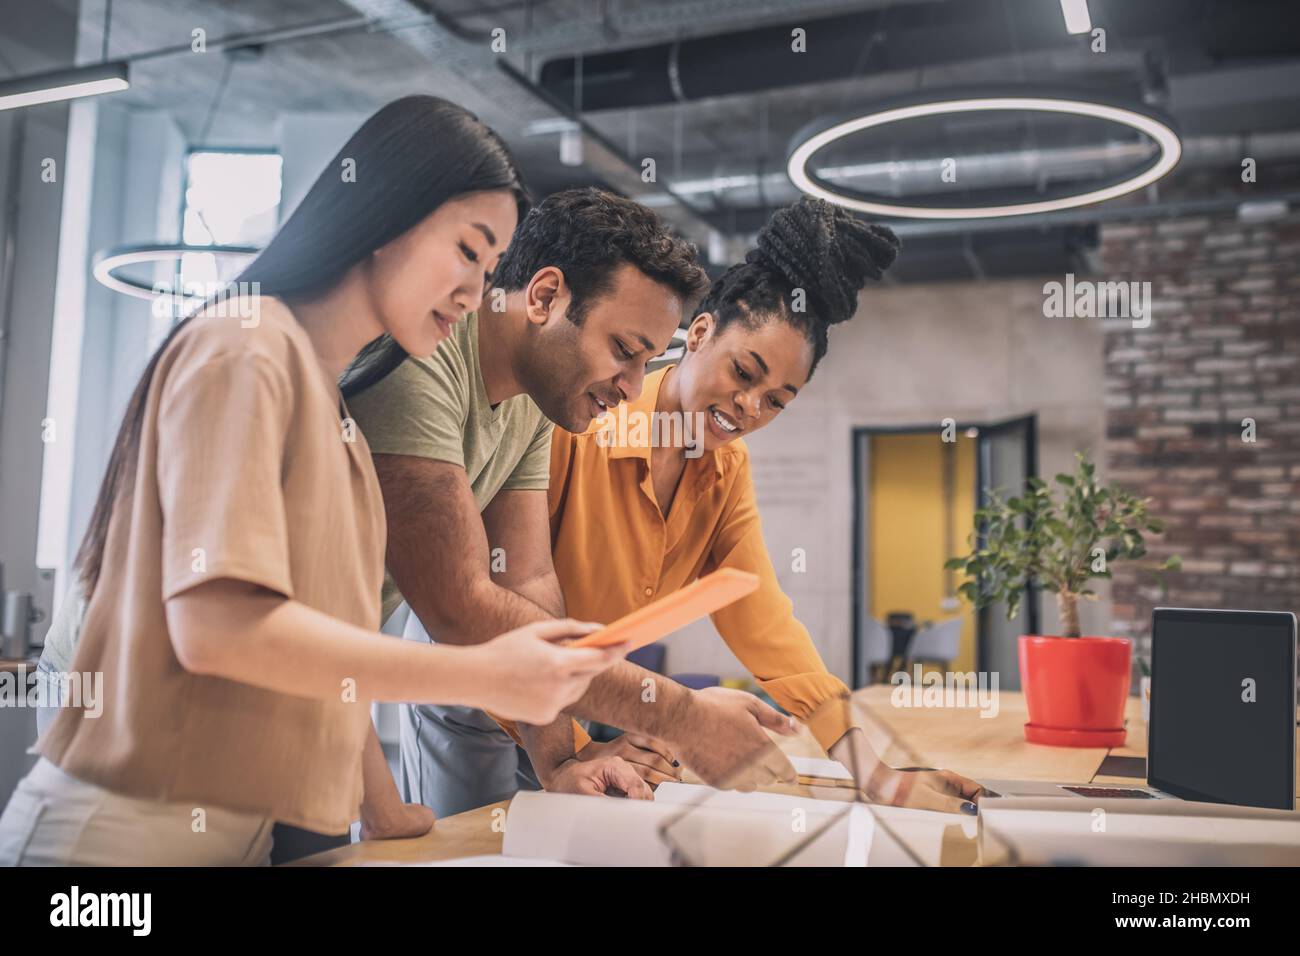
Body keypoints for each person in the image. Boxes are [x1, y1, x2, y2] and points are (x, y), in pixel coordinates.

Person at [0, 96, 626, 867]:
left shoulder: (326, 405)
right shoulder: (247, 349)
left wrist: (384, 811)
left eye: (491, 269)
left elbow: (331, 649)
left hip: (227, 827)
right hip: (112, 844)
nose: (474, 294)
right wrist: (481, 672)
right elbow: (221, 627)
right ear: (388, 214)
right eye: (468, 251)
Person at [343, 187, 805, 819]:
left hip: (320, 695)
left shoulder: (538, 404)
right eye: (624, 351)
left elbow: (529, 578)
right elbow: (459, 605)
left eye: (646, 360)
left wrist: (560, 759)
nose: (633, 386)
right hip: (234, 696)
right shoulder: (421, 363)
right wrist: (681, 715)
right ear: (543, 297)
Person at [541, 197, 987, 814]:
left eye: (777, 400)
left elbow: (766, 624)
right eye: (744, 372)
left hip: (585, 713)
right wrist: (568, 751)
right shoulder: (586, 424)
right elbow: (519, 608)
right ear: (698, 334)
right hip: (491, 706)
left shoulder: (724, 469)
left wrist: (877, 774)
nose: (751, 407)